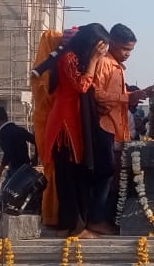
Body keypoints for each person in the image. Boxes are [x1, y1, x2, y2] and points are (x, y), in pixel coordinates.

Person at [42, 23, 110, 238]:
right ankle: (74, 227)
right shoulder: (68, 58)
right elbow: (81, 85)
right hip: (65, 125)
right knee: (69, 177)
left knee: (77, 176)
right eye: (99, 48)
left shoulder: (74, 58)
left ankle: (72, 225)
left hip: (75, 122)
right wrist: (93, 61)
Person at [89, 24, 154, 234]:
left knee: (114, 175)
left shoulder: (117, 66)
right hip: (104, 127)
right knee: (105, 174)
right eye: (125, 49)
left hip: (116, 129)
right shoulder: (104, 64)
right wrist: (128, 97)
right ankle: (96, 219)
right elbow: (97, 95)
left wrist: (139, 94)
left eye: (130, 51)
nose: (127, 54)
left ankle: (105, 218)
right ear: (113, 43)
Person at [30, 29, 75, 228]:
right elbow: (49, 92)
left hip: (54, 122)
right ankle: (52, 214)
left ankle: (55, 214)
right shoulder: (45, 72)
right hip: (51, 123)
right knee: (54, 168)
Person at [0, 106, 36, 207]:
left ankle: (1, 205)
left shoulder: (1, 134)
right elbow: (36, 141)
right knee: (23, 190)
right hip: (26, 168)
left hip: (15, 168)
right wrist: (36, 157)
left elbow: (8, 153)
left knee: (6, 188)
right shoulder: (19, 129)